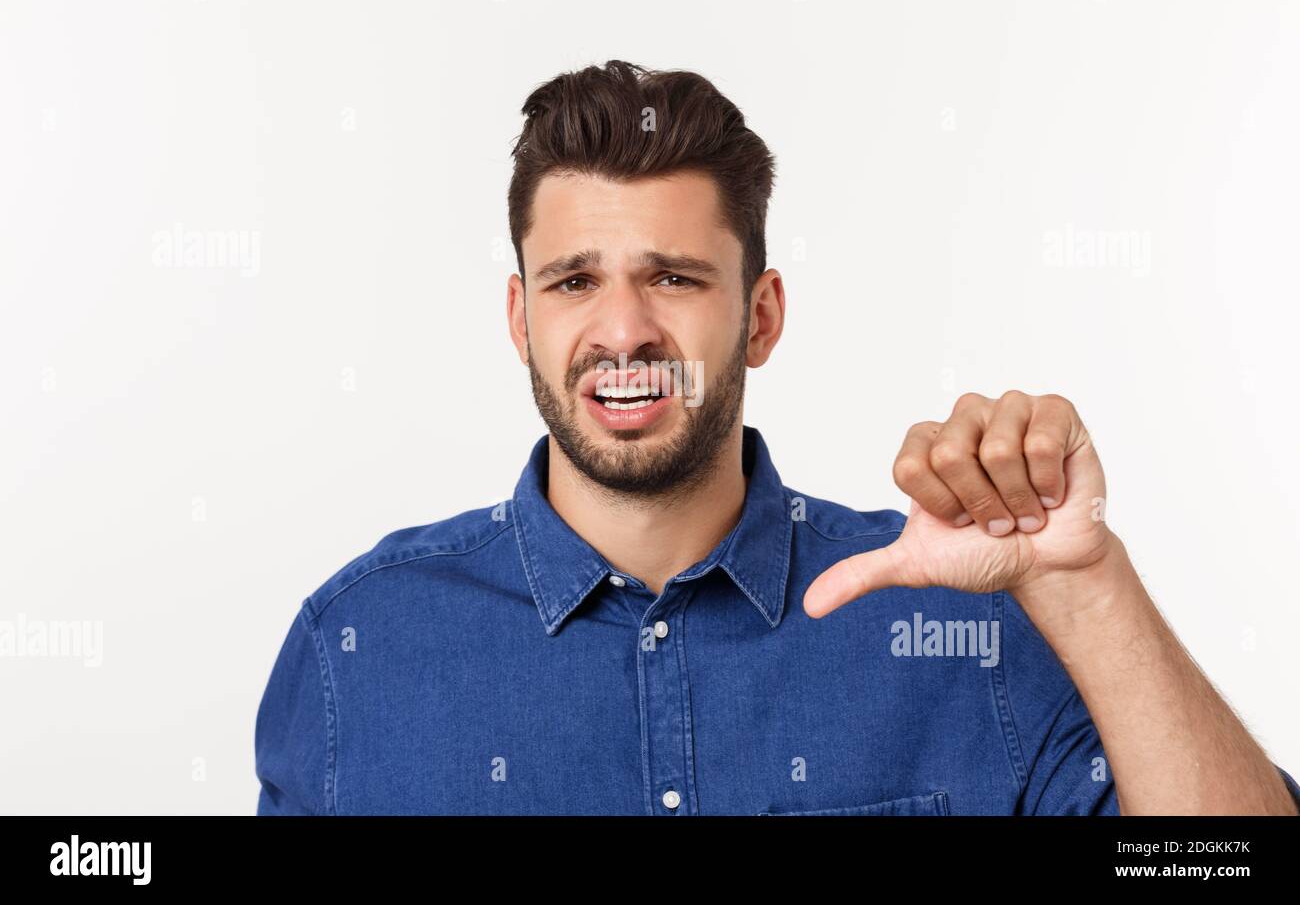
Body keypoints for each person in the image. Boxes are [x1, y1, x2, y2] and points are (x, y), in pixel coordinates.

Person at [255, 60, 1300, 815]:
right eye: (576, 281)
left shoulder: (960, 632)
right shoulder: (361, 649)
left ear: (760, 315)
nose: (623, 330)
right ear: (521, 318)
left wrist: (1087, 583)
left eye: (673, 276)